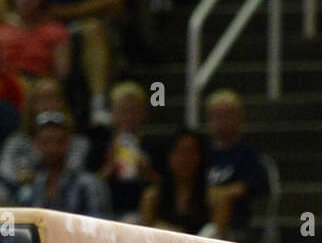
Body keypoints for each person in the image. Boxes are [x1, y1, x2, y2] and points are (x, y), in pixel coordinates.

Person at [16, 110, 110, 218]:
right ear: (37, 145)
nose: (53, 149)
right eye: (46, 142)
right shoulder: (31, 187)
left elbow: (100, 225)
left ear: (68, 143)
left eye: (59, 142)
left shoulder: (88, 185)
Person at [87, 80, 156, 222]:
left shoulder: (153, 146)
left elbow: (165, 186)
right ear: (113, 113)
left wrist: (148, 172)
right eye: (123, 110)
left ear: (143, 113)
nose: (128, 116)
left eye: (133, 110)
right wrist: (108, 170)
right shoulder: (99, 146)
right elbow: (88, 186)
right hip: (107, 211)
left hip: (142, 213)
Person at [203, 88, 269, 237]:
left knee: (223, 200)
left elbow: (250, 186)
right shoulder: (201, 152)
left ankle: (212, 237)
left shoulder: (247, 153)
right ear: (208, 119)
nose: (222, 121)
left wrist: (221, 194)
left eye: (227, 115)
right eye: (217, 116)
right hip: (200, 211)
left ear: (240, 117)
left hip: (236, 218)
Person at [138, 129, 211, 234]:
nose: (185, 159)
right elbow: (144, 235)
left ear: (200, 156)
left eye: (191, 152)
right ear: (169, 156)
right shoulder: (153, 196)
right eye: (179, 152)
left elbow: (218, 235)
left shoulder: (213, 197)